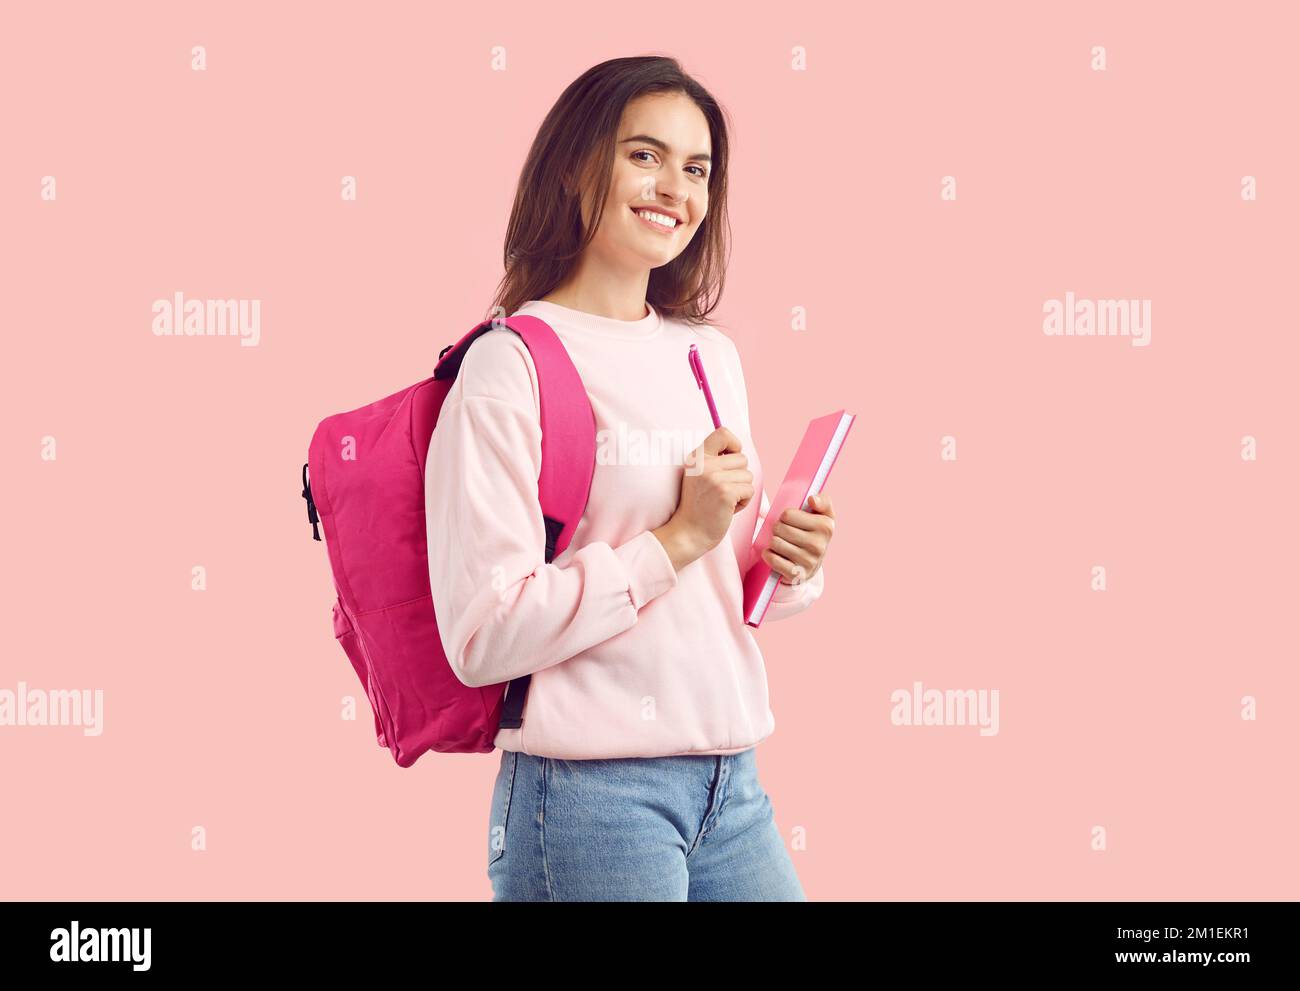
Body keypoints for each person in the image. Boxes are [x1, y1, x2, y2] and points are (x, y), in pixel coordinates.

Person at [424, 55, 838, 901]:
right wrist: (674, 540)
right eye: (645, 155)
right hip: (589, 799)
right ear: (575, 166)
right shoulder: (508, 367)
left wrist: (788, 561)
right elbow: (482, 635)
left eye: (698, 169)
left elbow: (724, 581)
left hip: (732, 785)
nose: (675, 189)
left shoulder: (707, 355)